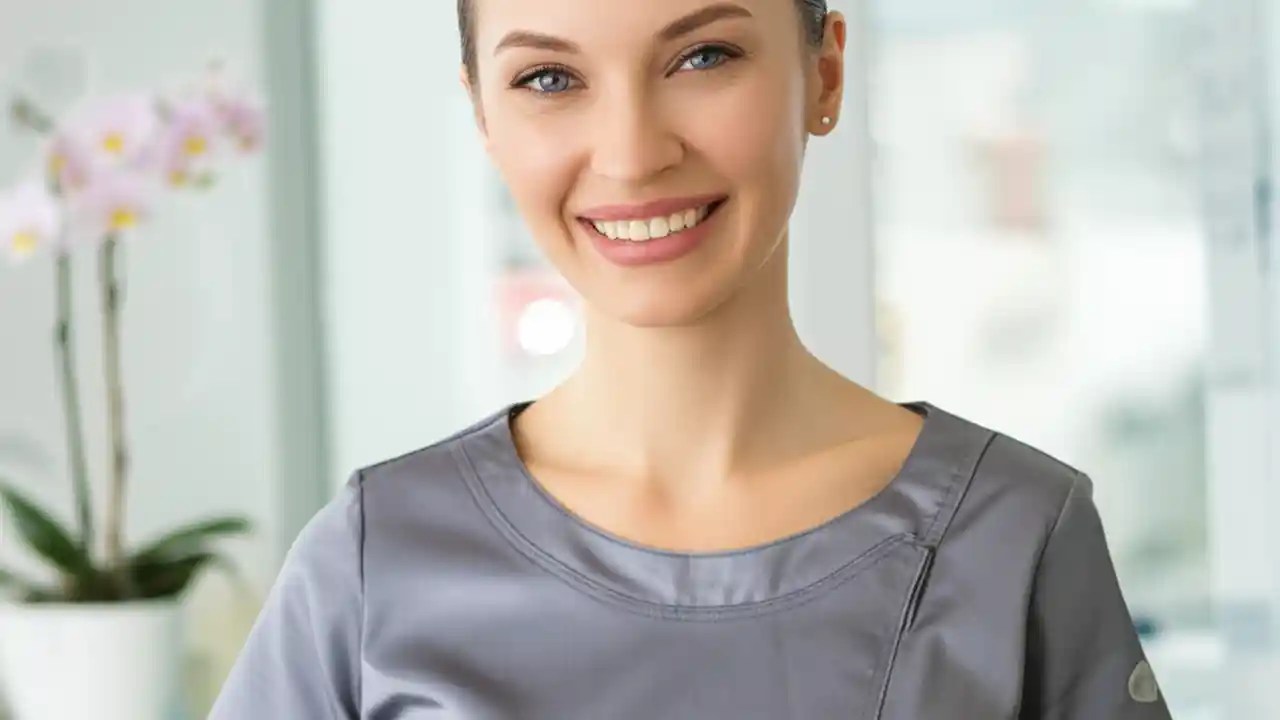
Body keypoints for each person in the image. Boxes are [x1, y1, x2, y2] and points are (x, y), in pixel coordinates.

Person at [209, 1, 1173, 717]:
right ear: (483, 116)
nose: (632, 154)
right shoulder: (375, 562)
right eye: (549, 79)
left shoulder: (1012, 537)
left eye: (703, 56)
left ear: (825, 75)